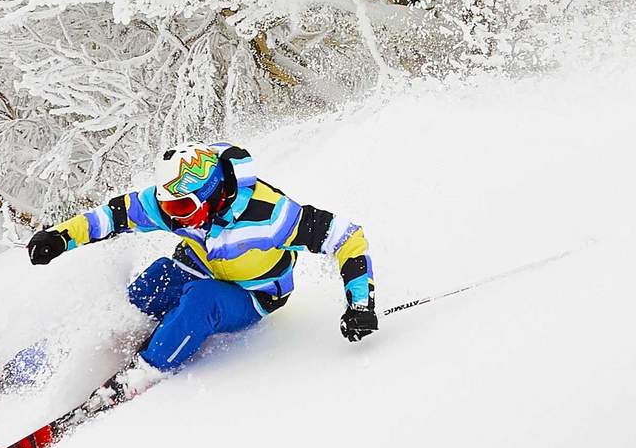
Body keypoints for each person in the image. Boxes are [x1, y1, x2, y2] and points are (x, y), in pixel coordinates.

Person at [26, 141, 377, 394]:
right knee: (154, 282)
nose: (174, 216)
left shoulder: (270, 216)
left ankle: (146, 371)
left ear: (211, 195)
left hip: (252, 293)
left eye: (182, 208)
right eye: (169, 207)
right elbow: (113, 215)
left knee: (202, 300)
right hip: (197, 265)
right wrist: (60, 238)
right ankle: (106, 342)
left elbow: (348, 239)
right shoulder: (173, 204)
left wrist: (360, 305)